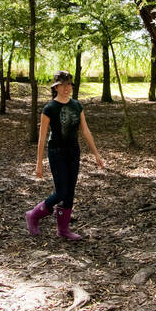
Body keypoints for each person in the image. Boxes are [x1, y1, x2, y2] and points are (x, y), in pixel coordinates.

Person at [26, 72, 107, 240]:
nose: (67, 88)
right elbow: (42, 137)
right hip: (56, 152)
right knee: (61, 191)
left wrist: (96, 154)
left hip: (73, 151)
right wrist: (39, 163)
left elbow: (85, 130)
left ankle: (63, 229)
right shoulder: (49, 108)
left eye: (69, 84)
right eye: (63, 85)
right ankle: (33, 215)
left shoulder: (77, 105)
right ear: (56, 87)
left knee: (70, 192)